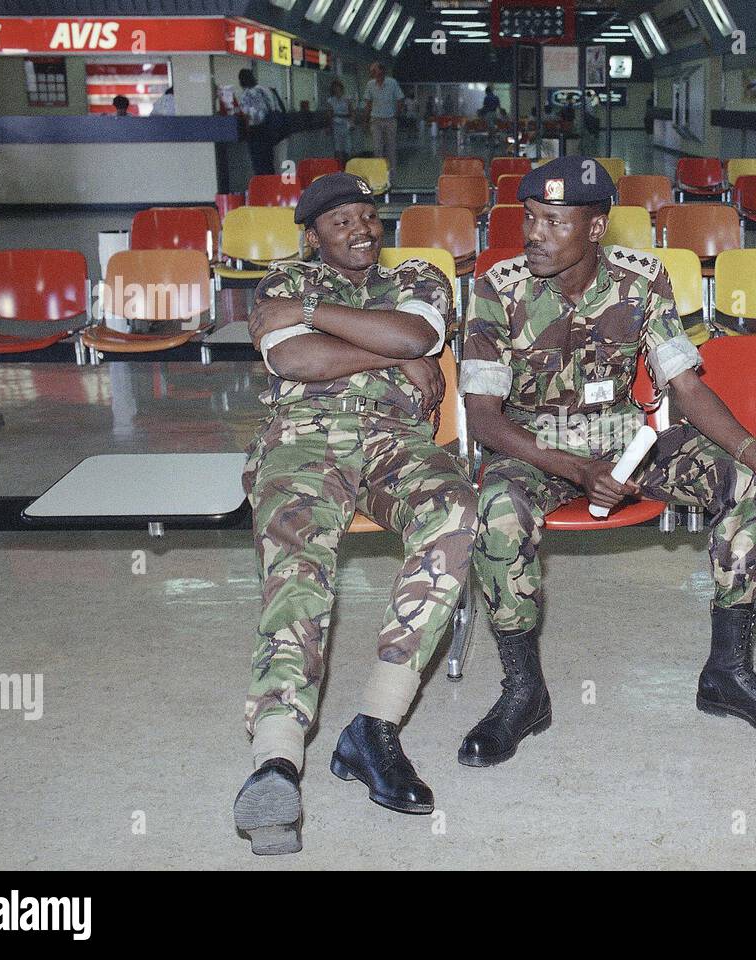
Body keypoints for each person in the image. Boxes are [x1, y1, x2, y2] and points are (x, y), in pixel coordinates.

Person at [457, 156, 756, 768]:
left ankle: (727, 674)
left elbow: (685, 384)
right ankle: (523, 694)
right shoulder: (499, 288)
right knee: (497, 510)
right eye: (529, 218)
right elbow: (485, 419)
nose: (534, 234)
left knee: (742, 481)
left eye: (553, 221)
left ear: (596, 227)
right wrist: (575, 470)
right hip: (533, 445)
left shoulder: (643, 279)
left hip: (625, 438)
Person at [233, 172, 479, 855]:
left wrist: (318, 314)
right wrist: (392, 355)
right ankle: (276, 761)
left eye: (368, 216)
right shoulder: (279, 282)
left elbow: (419, 334)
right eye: (341, 222)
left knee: (458, 509)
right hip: (302, 441)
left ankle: (375, 725)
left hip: (395, 441)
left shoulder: (420, 277)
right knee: (298, 557)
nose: (361, 229)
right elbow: (294, 359)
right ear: (312, 237)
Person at [362, 61, 404, 178]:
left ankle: (392, 173)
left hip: (390, 120)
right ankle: (378, 173)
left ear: (381, 71)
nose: (372, 73)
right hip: (375, 120)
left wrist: (396, 114)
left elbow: (400, 99)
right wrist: (365, 120)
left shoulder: (392, 83)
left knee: (391, 147)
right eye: (371, 71)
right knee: (377, 147)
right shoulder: (370, 84)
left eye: (374, 71)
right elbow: (368, 104)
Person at [239, 69, 274, 175]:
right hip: (267, 129)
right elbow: (270, 107)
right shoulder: (262, 90)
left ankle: (262, 188)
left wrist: (246, 131)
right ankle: (272, 186)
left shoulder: (245, 95)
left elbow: (246, 116)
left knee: (258, 163)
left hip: (255, 132)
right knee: (268, 162)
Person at [327, 78, 354, 165]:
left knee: (347, 145)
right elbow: (330, 113)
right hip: (336, 123)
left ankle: (348, 164)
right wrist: (329, 126)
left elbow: (351, 111)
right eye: (334, 87)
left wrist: (352, 122)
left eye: (338, 87)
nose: (336, 89)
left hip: (346, 123)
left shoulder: (347, 98)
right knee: (337, 146)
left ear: (341, 88)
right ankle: (338, 165)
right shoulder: (331, 100)